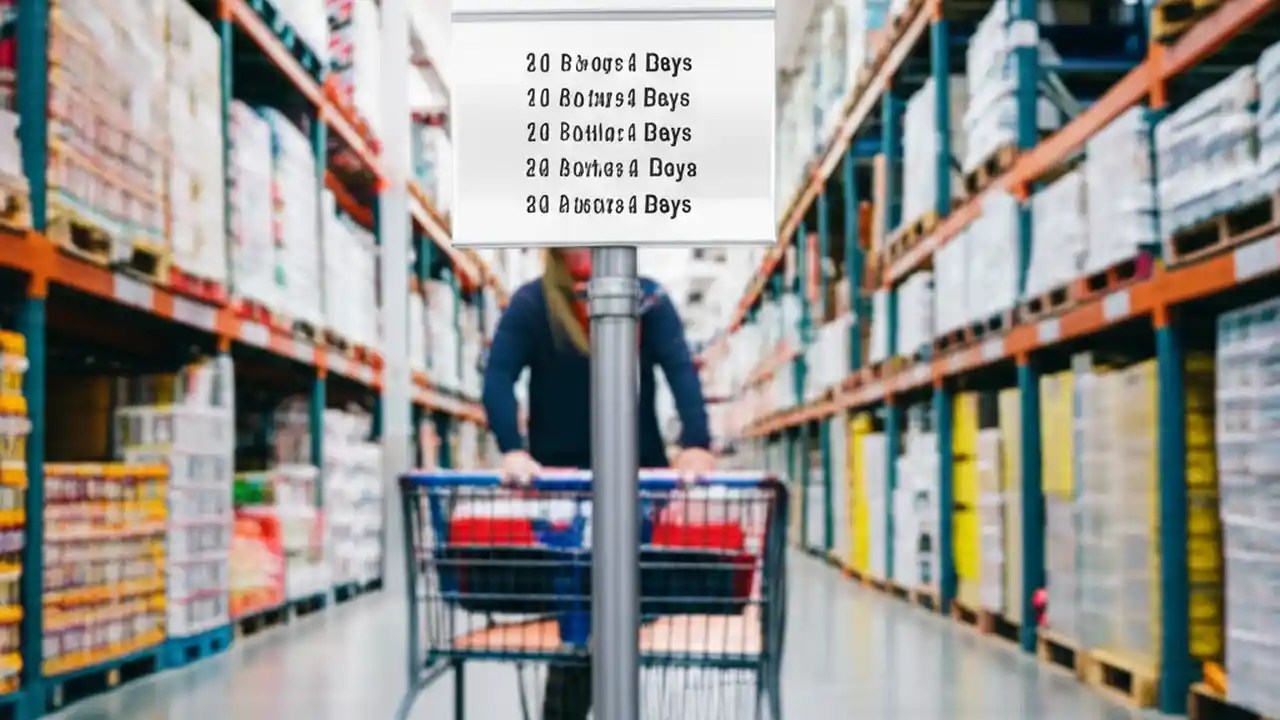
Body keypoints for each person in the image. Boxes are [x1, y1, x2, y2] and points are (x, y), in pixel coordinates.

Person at [481, 247, 716, 720]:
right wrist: (512, 447)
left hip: (638, 483)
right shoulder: (534, 304)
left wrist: (696, 441)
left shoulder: (646, 300)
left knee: (608, 614)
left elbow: (678, 368)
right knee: (585, 611)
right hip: (562, 489)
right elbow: (499, 375)